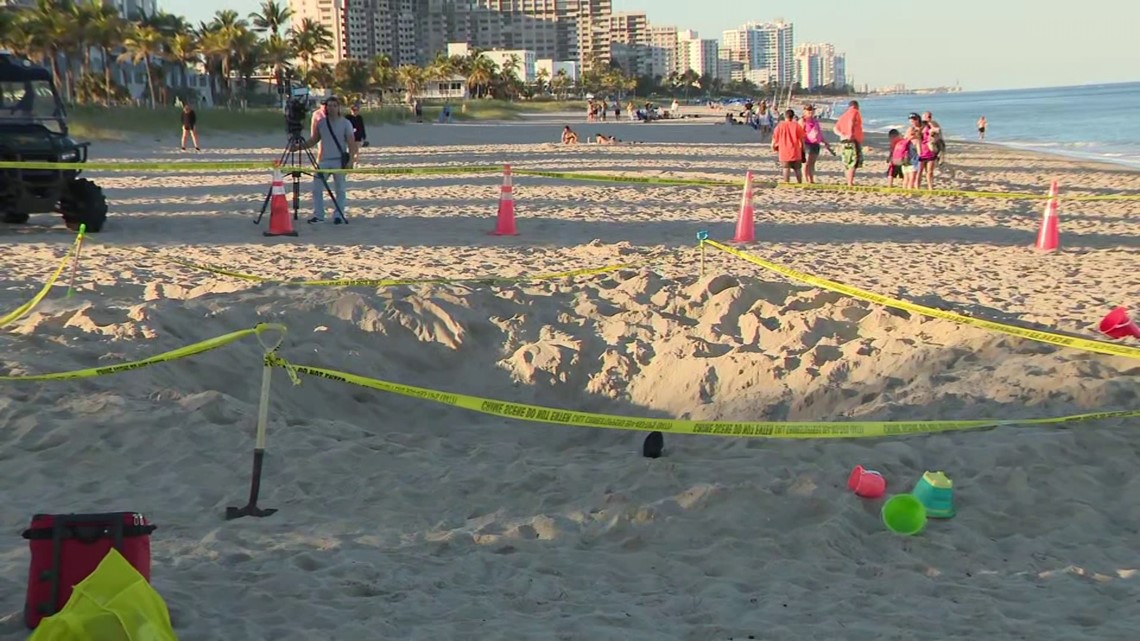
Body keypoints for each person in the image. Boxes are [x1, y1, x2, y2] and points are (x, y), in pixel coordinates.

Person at [291, 95, 357, 225]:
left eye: (334, 106)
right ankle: (319, 215)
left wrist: (351, 161)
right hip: (324, 160)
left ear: (338, 108)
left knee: (340, 190)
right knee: (317, 189)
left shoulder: (345, 123)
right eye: (329, 106)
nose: (331, 108)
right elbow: (313, 140)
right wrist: (298, 147)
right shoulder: (321, 123)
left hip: (339, 160)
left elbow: (351, 143)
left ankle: (339, 215)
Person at [771, 108, 806, 184]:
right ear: (793, 116)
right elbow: (802, 139)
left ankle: (787, 182)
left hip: (784, 151)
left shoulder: (780, 126)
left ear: (785, 116)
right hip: (796, 150)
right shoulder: (797, 126)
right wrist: (803, 149)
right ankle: (799, 182)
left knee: (786, 168)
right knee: (797, 169)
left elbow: (774, 138)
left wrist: (773, 147)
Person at [833, 100, 864, 186]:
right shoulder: (855, 112)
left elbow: (835, 128)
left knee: (847, 161)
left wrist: (842, 134)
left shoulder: (844, 115)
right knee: (853, 161)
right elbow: (851, 121)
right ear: (856, 106)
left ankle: (848, 181)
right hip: (852, 140)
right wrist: (850, 134)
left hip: (844, 140)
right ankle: (850, 182)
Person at [800, 104, 832, 184]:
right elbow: (799, 134)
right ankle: (805, 179)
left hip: (815, 143)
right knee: (806, 163)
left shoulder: (815, 121)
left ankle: (811, 179)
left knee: (812, 163)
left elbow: (819, 133)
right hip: (807, 143)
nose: (811, 111)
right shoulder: (802, 121)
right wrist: (801, 145)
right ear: (805, 111)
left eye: (812, 110)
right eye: (809, 110)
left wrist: (825, 142)